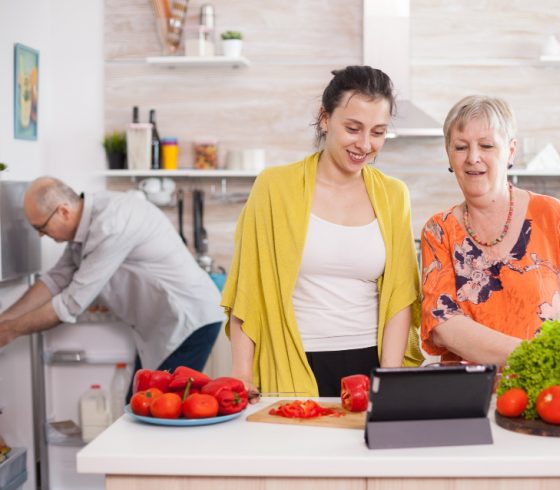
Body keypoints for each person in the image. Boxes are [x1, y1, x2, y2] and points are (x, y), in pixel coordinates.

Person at [222, 65, 423, 399]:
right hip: (291, 360)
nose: (365, 144)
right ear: (325, 118)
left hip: (369, 363)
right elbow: (249, 287)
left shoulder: (394, 195)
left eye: (378, 132)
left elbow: (401, 297)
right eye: (353, 128)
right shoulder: (274, 187)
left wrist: (389, 377)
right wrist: (242, 373)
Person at [420, 95, 560, 366]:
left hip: (552, 387)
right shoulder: (438, 230)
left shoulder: (552, 215)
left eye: (487, 145)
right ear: (449, 154)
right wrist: (537, 358)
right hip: (473, 389)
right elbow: (443, 324)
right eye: (460, 147)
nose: (473, 158)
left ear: (511, 150)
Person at [0, 177, 223, 401]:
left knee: (156, 409)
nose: (40, 235)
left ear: (63, 212)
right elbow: (55, 280)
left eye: (40, 227)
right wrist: (5, 320)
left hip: (189, 320)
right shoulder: (84, 226)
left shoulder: (110, 224)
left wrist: (10, 331)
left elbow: (70, 304)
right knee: (138, 406)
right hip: (161, 327)